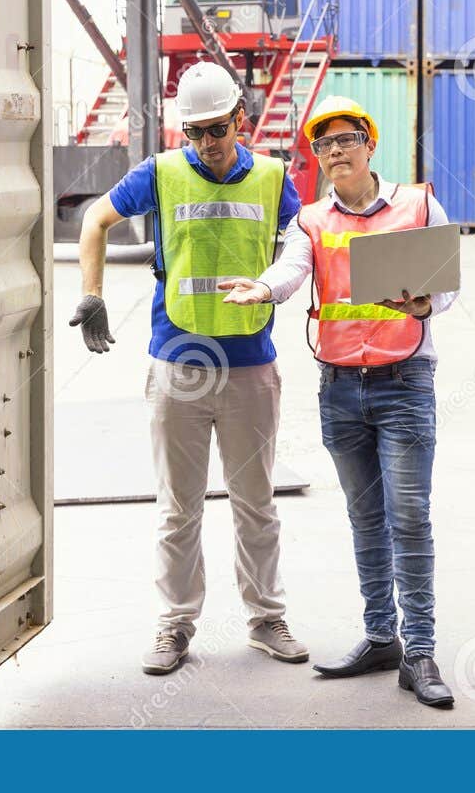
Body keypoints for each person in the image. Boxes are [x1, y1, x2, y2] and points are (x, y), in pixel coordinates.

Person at [70, 62, 308, 676]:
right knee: (179, 507)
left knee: (256, 502)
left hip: (251, 363)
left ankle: (265, 619)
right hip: (178, 363)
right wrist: (92, 293)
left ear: (240, 120)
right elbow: (95, 220)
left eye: (217, 129)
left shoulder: (276, 178)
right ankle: (175, 625)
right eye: (195, 131)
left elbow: (308, 246)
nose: (207, 142)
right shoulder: (161, 173)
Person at [219, 95, 458, 709]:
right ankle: (381, 637)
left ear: (369, 144)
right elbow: (292, 270)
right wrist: (264, 288)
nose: (334, 152)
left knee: (410, 517)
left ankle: (421, 650)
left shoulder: (417, 203)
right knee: (366, 518)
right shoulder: (314, 220)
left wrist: (427, 305)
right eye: (322, 145)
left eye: (346, 139)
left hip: (405, 381)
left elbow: (448, 284)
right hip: (341, 389)